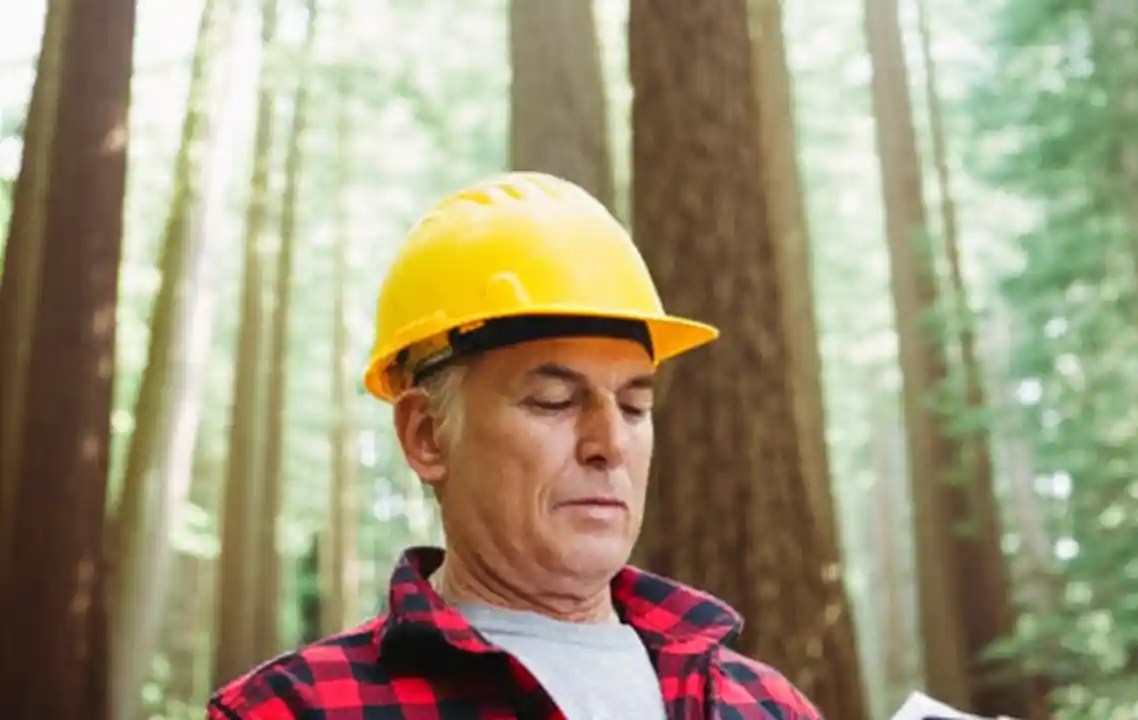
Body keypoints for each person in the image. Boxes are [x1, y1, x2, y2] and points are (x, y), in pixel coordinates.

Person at [206, 172, 822, 719]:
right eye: (555, 402)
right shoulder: (294, 711)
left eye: (635, 406)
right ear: (426, 435)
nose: (610, 443)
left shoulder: (766, 705)